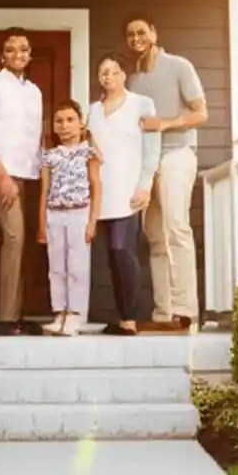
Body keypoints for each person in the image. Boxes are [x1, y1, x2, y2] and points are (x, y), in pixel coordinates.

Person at [125, 16, 208, 333]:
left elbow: (201, 113)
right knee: (154, 235)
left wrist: (165, 123)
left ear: (154, 34)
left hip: (176, 154)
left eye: (142, 32)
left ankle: (186, 312)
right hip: (147, 163)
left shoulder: (179, 66)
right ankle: (164, 312)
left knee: (176, 227)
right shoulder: (132, 81)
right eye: (130, 34)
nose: (136, 38)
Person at [0, 27, 44, 337]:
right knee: (14, 238)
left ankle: (20, 314)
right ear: (2, 54)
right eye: (12, 49)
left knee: (27, 241)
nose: (19, 54)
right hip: (5, 173)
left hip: (32, 173)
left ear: (30, 54)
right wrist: (2, 176)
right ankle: (6, 318)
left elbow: (37, 136)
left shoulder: (34, 91)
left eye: (24, 49)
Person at [87, 54, 161, 336]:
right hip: (101, 189)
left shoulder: (141, 104)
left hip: (128, 186)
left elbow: (152, 146)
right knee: (111, 255)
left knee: (123, 250)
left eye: (113, 72)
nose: (107, 77)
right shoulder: (93, 110)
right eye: (102, 72)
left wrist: (146, 183)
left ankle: (130, 318)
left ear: (123, 75)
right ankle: (121, 318)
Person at [36, 100, 102, 337]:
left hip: (79, 212)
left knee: (77, 265)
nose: (65, 126)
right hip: (55, 213)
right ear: (53, 126)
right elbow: (44, 191)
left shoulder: (89, 153)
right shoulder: (50, 156)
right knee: (56, 266)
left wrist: (92, 221)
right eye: (59, 121)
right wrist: (41, 223)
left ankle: (75, 313)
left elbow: (96, 187)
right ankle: (60, 312)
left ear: (81, 124)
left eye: (70, 120)